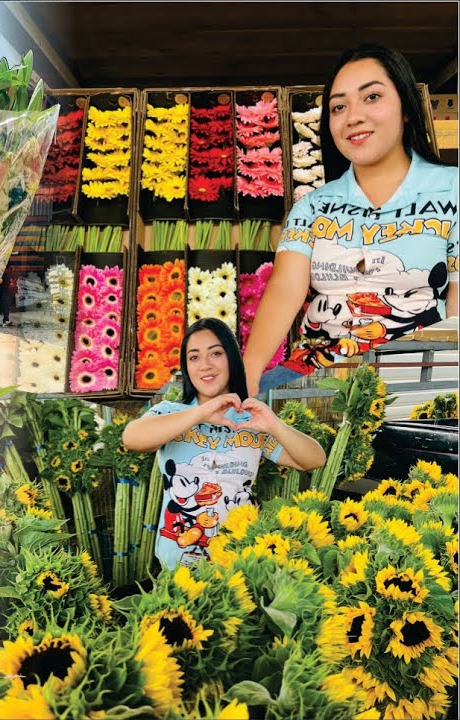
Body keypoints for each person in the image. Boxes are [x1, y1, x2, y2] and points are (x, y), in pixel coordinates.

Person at [243, 43, 458, 396]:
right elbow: (285, 289)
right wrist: (248, 374)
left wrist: (447, 392)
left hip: (413, 377)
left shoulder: (452, 190)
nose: (353, 116)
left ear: (406, 107)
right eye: (339, 106)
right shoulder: (312, 206)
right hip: (312, 378)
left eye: (371, 97)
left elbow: (457, 306)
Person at [122, 319, 326, 571]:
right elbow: (132, 438)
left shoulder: (252, 420)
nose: (205, 365)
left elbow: (314, 459)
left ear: (231, 359)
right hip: (178, 564)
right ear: (186, 367)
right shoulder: (171, 413)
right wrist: (200, 413)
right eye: (194, 357)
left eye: (216, 353)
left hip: (238, 559)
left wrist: (275, 425)